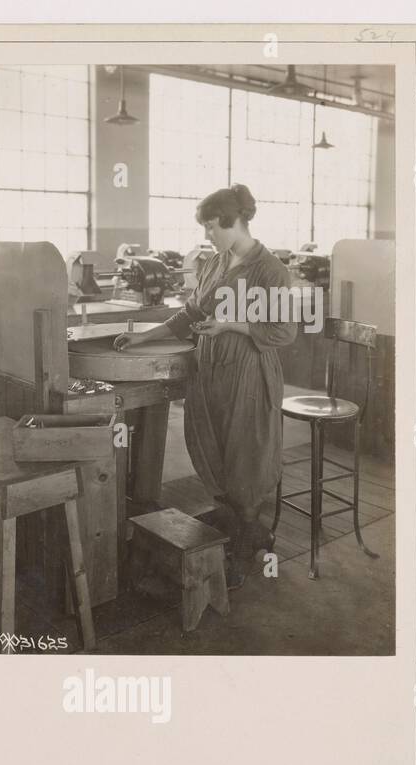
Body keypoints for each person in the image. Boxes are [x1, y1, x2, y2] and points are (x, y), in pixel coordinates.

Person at [114, 184, 296, 587]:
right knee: (211, 449)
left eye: (213, 227)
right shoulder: (215, 263)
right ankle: (233, 524)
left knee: (245, 455)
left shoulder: (270, 270)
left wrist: (230, 323)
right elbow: (190, 313)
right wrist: (146, 336)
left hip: (247, 374)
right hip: (210, 369)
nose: (208, 235)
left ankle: (246, 542)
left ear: (236, 222)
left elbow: (284, 332)